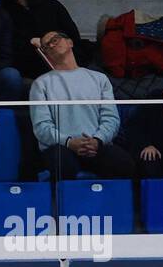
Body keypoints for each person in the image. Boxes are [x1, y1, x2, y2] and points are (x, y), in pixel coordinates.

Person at [30, 30, 136, 180]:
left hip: (96, 145)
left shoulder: (99, 79)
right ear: (46, 54)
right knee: (62, 163)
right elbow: (42, 127)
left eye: (55, 38)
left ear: (70, 42)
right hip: (61, 148)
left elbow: (111, 118)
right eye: (46, 45)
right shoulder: (41, 84)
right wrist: (69, 142)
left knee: (123, 163)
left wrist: (97, 140)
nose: (52, 44)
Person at [0, 0, 81, 82]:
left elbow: (75, 39)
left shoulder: (52, 6)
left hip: (62, 68)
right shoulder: (4, 15)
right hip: (28, 73)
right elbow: (8, 51)